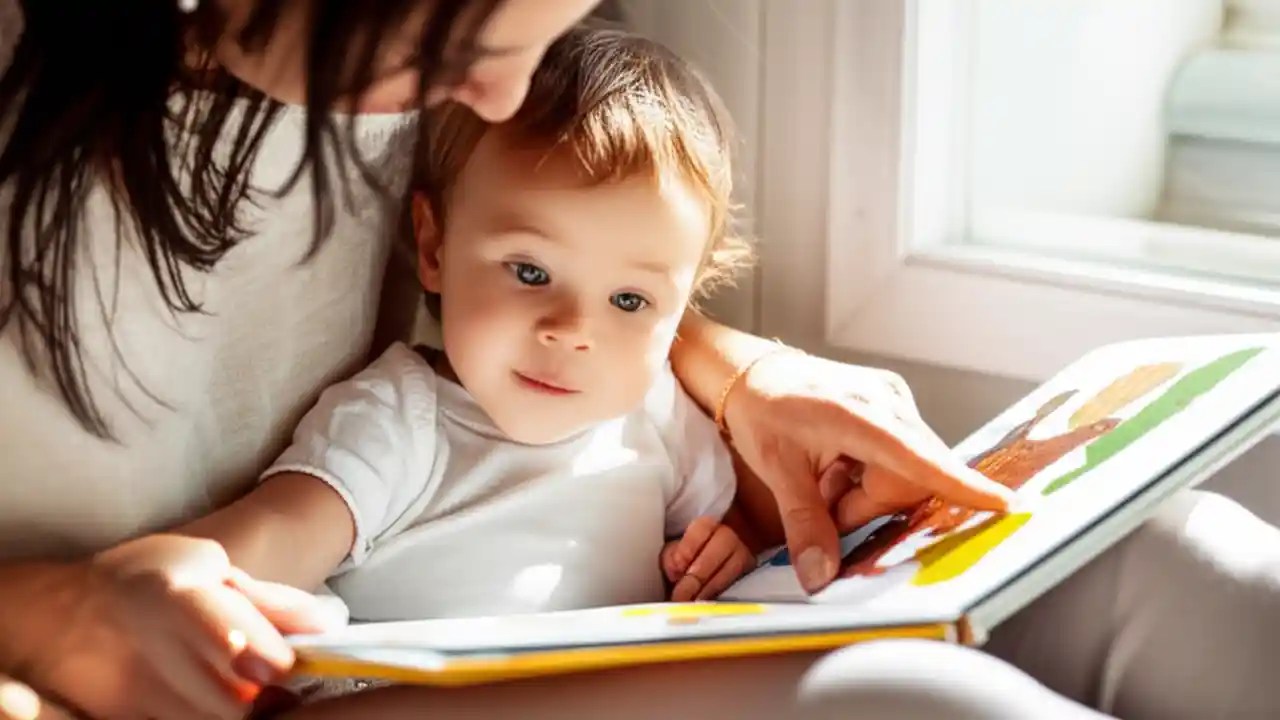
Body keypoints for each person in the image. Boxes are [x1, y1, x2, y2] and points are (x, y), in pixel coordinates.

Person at [1, 2, 1276, 720]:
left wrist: (736, 381)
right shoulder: (390, 419)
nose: (505, 89)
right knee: (901, 703)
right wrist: (70, 610)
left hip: (598, 636)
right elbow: (277, 535)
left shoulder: (441, 85)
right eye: (478, 32)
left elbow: (573, 275)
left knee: (1172, 558)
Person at [184, 26, 761, 618]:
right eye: (531, 272)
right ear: (435, 249)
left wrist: (723, 551)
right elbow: (281, 533)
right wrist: (185, 578)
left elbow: (733, 520)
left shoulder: (658, 416)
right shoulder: (400, 420)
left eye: (631, 301)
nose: (572, 330)